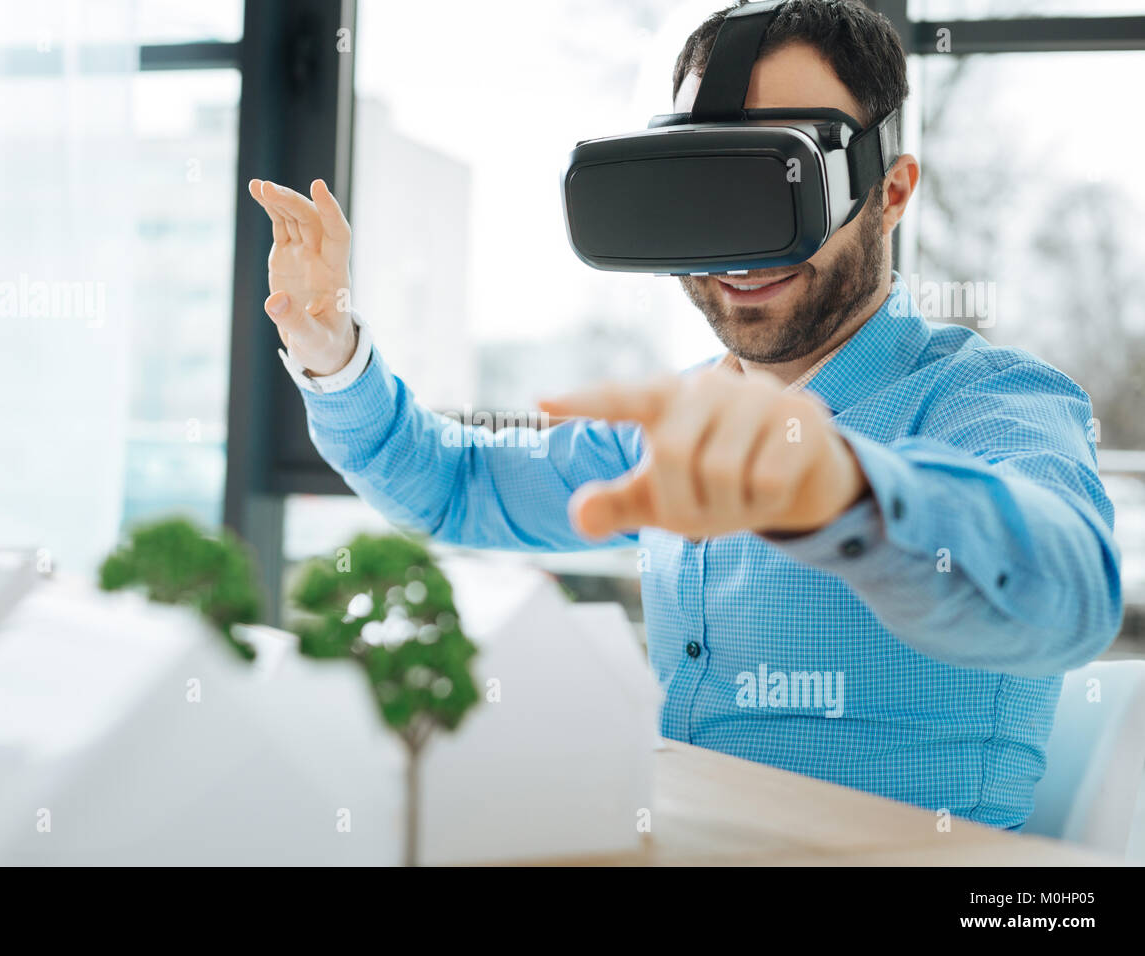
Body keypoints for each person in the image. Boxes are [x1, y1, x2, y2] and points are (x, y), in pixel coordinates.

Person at [245, 0, 1120, 830]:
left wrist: (839, 493)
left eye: (785, 178)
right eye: (710, 184)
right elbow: (458, 486)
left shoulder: (993, 401)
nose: (744, 250)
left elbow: (1069, 593)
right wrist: (332, 351)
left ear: (889, 192)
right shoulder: (683, 418)